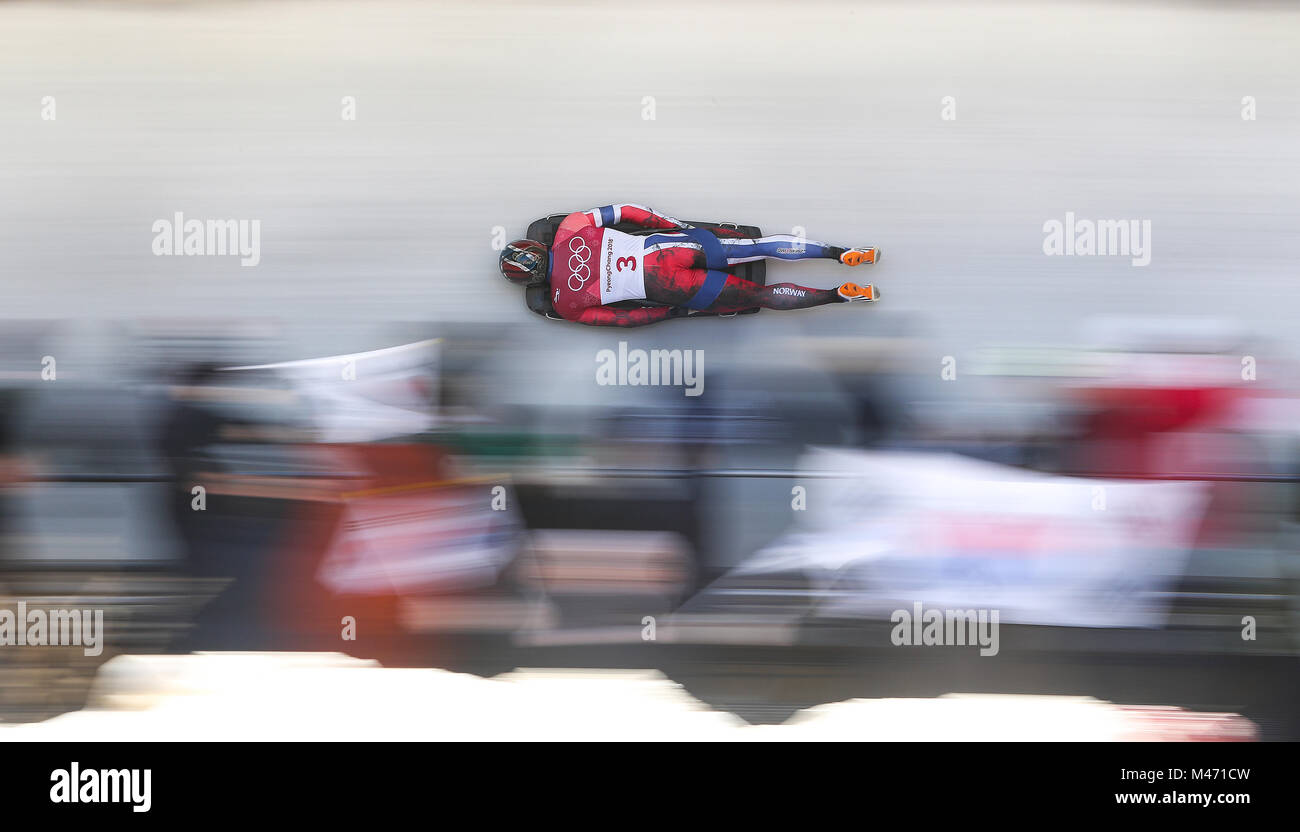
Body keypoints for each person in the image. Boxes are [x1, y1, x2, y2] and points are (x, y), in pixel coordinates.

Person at [500, 203, 882, 327]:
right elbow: (632, 211)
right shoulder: (570, 227)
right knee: (758, 246)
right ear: (537, 244)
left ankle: (839, 296)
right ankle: (839, 253)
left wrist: (666, 310)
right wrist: (672, 226)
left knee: (762, 296)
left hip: (672, 289)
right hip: (672, 250)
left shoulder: (566, 306)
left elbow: (625, 320)